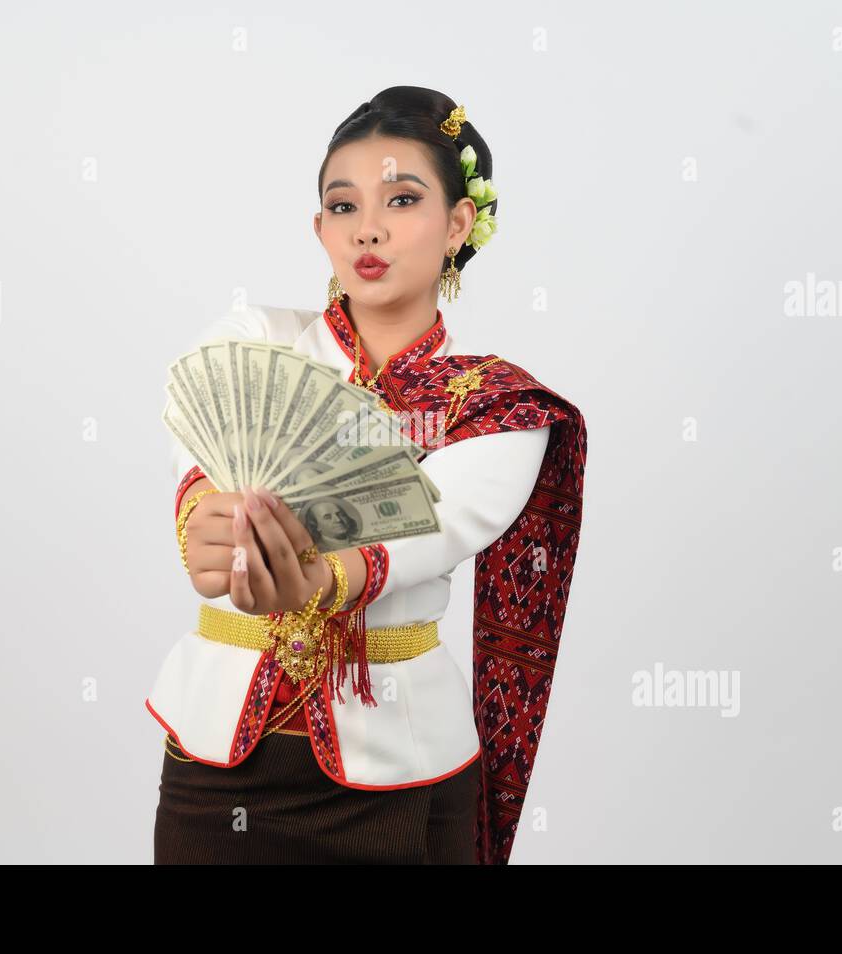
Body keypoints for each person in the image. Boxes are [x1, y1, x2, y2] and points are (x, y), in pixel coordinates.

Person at [148, 86, 587, 864]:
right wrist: (203, 523)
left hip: (402, 773)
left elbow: (430, 529)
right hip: (215, 764)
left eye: (403, 199)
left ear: (459, 223)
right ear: (320, 229)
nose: (368, 229)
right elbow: (201, 437)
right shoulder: (254, 340)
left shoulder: (502, 407)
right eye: (342, 206)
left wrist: (321, 577)